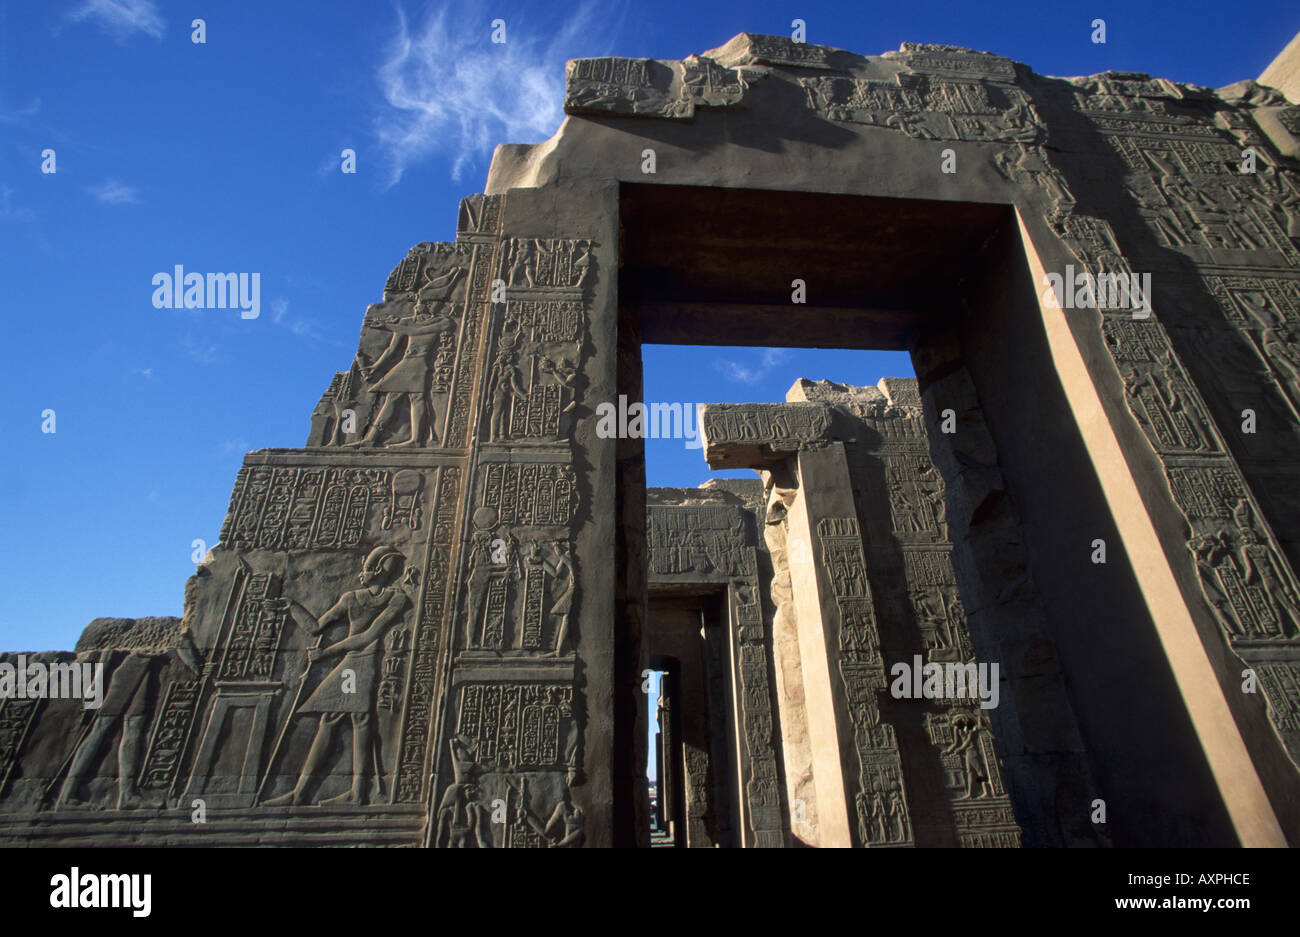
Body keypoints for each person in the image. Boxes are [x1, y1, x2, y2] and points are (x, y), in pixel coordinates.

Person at [264, 547, 410, 807]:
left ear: (377, 572)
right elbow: (317, 627)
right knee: (342, 720)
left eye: (365, 568)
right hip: (352, 662)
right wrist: (293, 607)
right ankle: (312, 793)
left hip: (363, 663)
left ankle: (350, 792)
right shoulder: (350, 598)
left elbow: (367, 637)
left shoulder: (395, 599)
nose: (360, 573)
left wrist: (325, 653)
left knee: (355, 721)